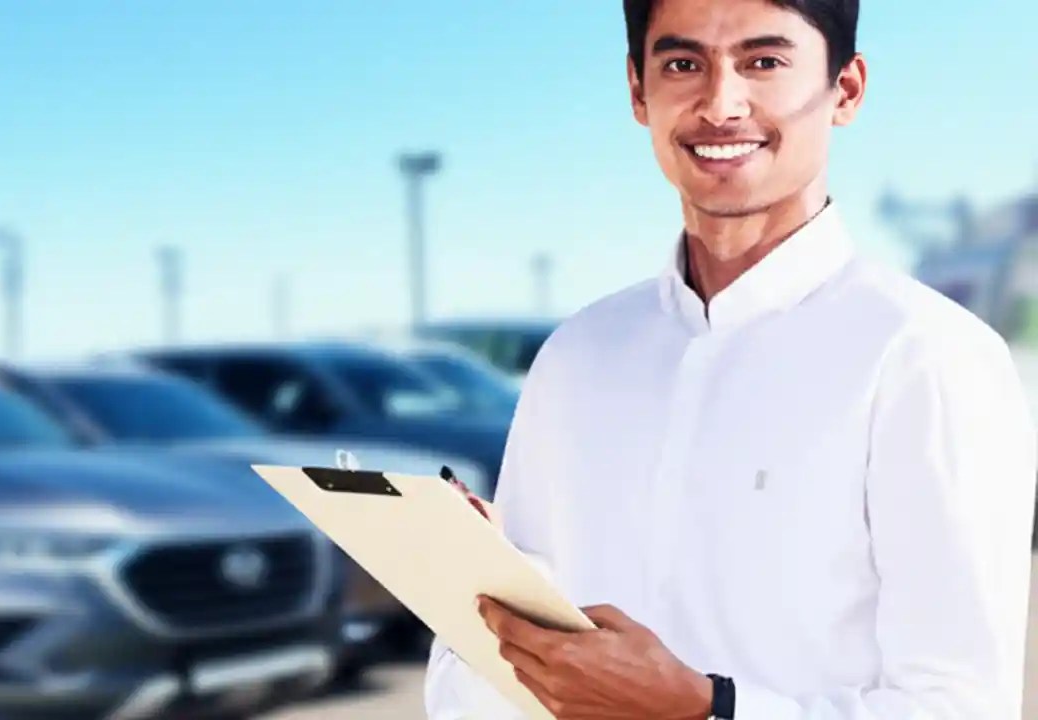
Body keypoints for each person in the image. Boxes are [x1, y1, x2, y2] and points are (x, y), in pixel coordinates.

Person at [424, 0, 1038, 718]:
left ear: (845, 90)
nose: (721, 104)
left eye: (764, 62)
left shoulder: (930, 357)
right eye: (684, 64)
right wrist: (474, 600)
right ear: (638, 91)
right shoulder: (576, 356)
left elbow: (961, 706)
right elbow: (463, 697)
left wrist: (706, 708)